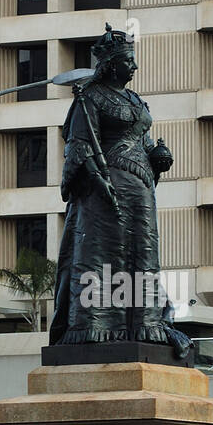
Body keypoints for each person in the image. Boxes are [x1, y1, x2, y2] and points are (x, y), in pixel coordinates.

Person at [48, 23, 190, 357]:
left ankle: (146, 324)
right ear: (111, 63)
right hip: (103, 188)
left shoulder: (135, 100)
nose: (134, 67)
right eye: (129, 61)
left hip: (140, 187)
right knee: (100, 254)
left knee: (143, 253)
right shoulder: (90, 97)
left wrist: (158, 159)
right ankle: (93, 326)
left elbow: (143, 140)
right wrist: (100, 182)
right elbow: (80, 146)